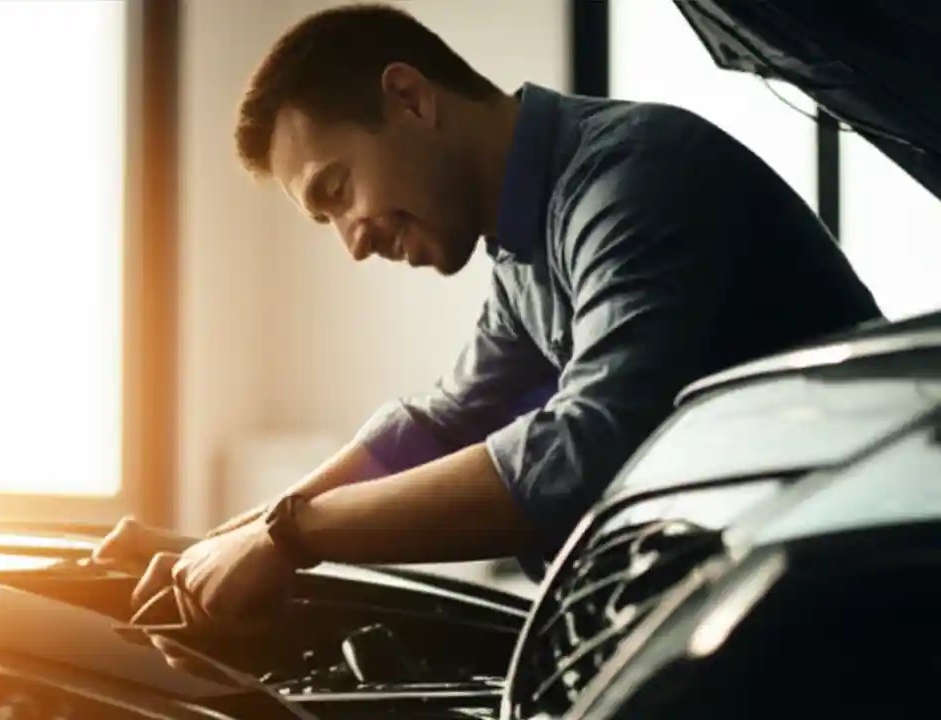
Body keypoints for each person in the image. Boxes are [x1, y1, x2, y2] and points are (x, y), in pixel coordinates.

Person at [95, 4, 879, 633]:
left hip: (852, 612)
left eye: (337, 192)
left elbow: (586, 449)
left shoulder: (637, 174)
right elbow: (442, 424)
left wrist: (289, 537)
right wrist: (230, 539)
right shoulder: (523, 246)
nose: (354, 243)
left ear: (409, 98)